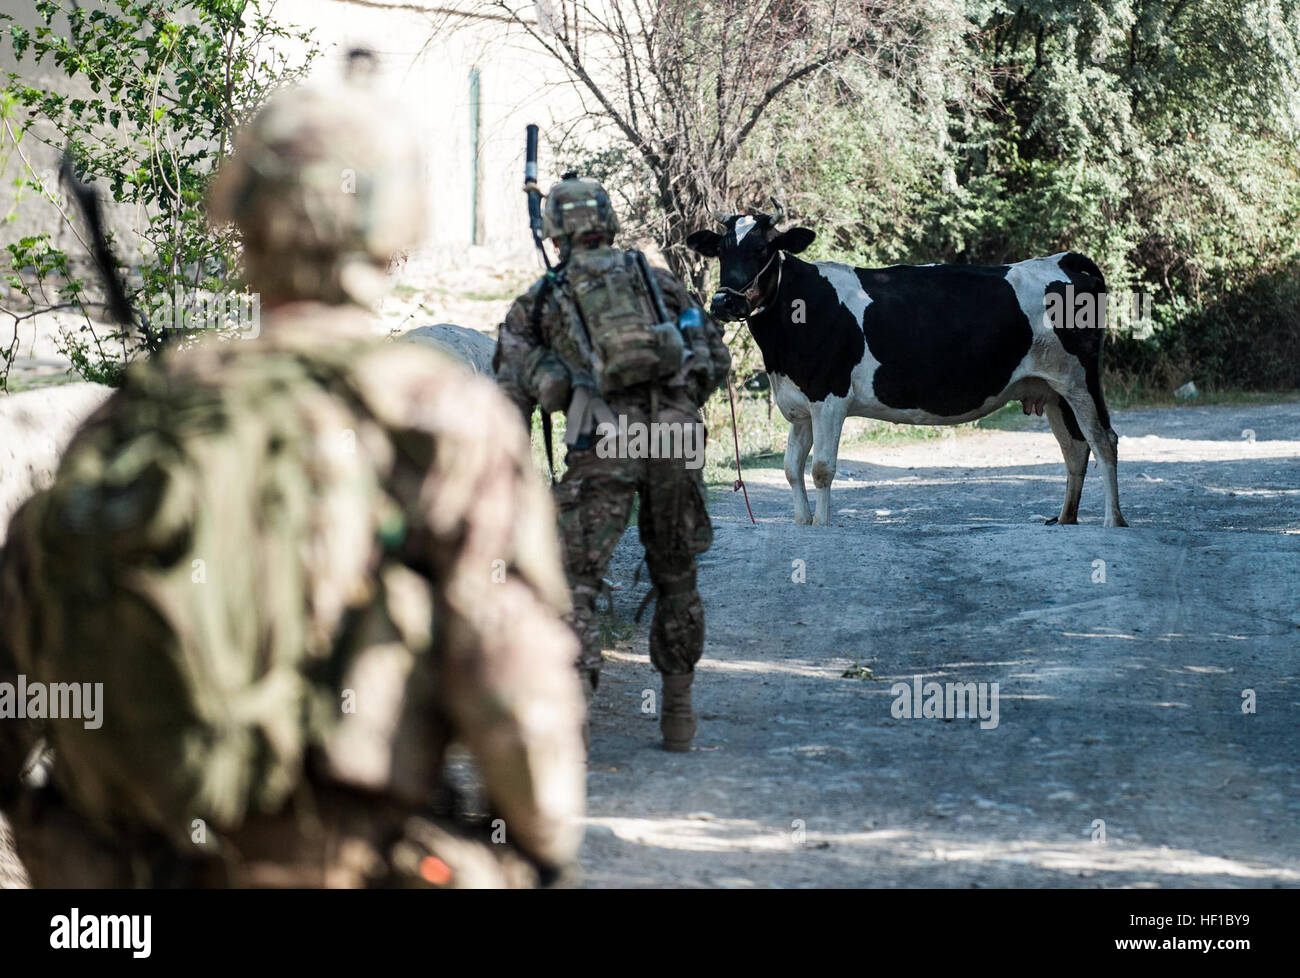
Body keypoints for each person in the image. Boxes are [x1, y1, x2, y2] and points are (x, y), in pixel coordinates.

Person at [0, 72, 585, 888]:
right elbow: (512, 681)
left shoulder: (144, 410)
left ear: (241, 218)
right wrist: (539, 844)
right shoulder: (440, 414)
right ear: (394, 227)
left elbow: (23, 652)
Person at [495, 174, 731, 752]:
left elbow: (507, 397)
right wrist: (676, 408)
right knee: (675, 575)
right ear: (608, 221)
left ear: (555, 232)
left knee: (572, 587)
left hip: (603, 441)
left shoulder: (542, 297)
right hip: (674, 440)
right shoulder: (656, 280)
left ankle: (571, 726)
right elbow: (715, 356)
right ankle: (678, 716)